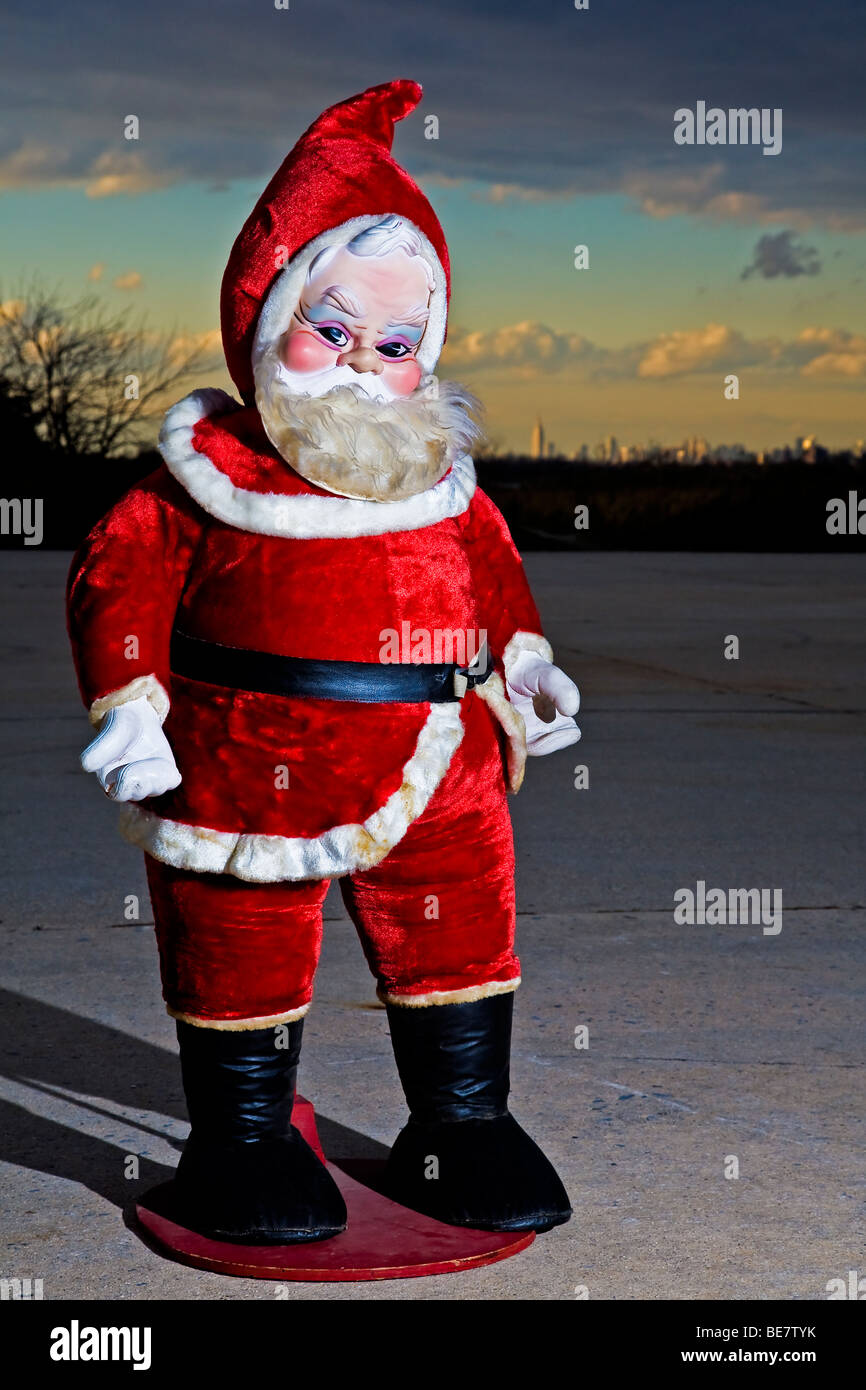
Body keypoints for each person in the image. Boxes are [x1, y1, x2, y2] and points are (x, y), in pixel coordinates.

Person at [67, 79, 580, 1246]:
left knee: (456, 942)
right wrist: (130, 695)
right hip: (251, 760)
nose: (359, 365)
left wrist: (526, 672)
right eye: (329, 328)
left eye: (396, 345)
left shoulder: (441, 478)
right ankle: (241, 1141)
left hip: (443, 761)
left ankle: (461, 1122)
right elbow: (117, 574)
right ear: (263, 312)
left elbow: (493, 580)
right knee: (243, 939)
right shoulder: (198, 480)